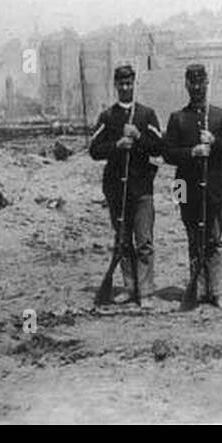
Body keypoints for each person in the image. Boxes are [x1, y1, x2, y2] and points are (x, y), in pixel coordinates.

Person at [162, 63, 222, 310]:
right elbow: (167, 154)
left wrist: (215, 142)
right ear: (186, 85)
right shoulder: (177, 118)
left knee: (214, 239)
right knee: (193, 238)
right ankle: (197, 289)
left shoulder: (220, 115)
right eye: (192, 83)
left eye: (201, 83)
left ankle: (218, 292)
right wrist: (192, 151)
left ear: (206, 84)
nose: (197, 88)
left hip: (216, 189)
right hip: (184, 188)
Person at [89, 64, 162, 307]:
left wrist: (139, 136)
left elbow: (160, 148)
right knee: (122, 241)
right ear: (115, 85)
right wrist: (117, 145)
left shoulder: (146, 114)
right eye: (121, 84)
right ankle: (130, 287)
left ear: (134, 84)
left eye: (129, 83)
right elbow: (94, 150)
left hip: (141, 188)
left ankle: (147, 291)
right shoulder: (107, 117)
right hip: (116, 190)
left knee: (144, 242)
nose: (125, 87)